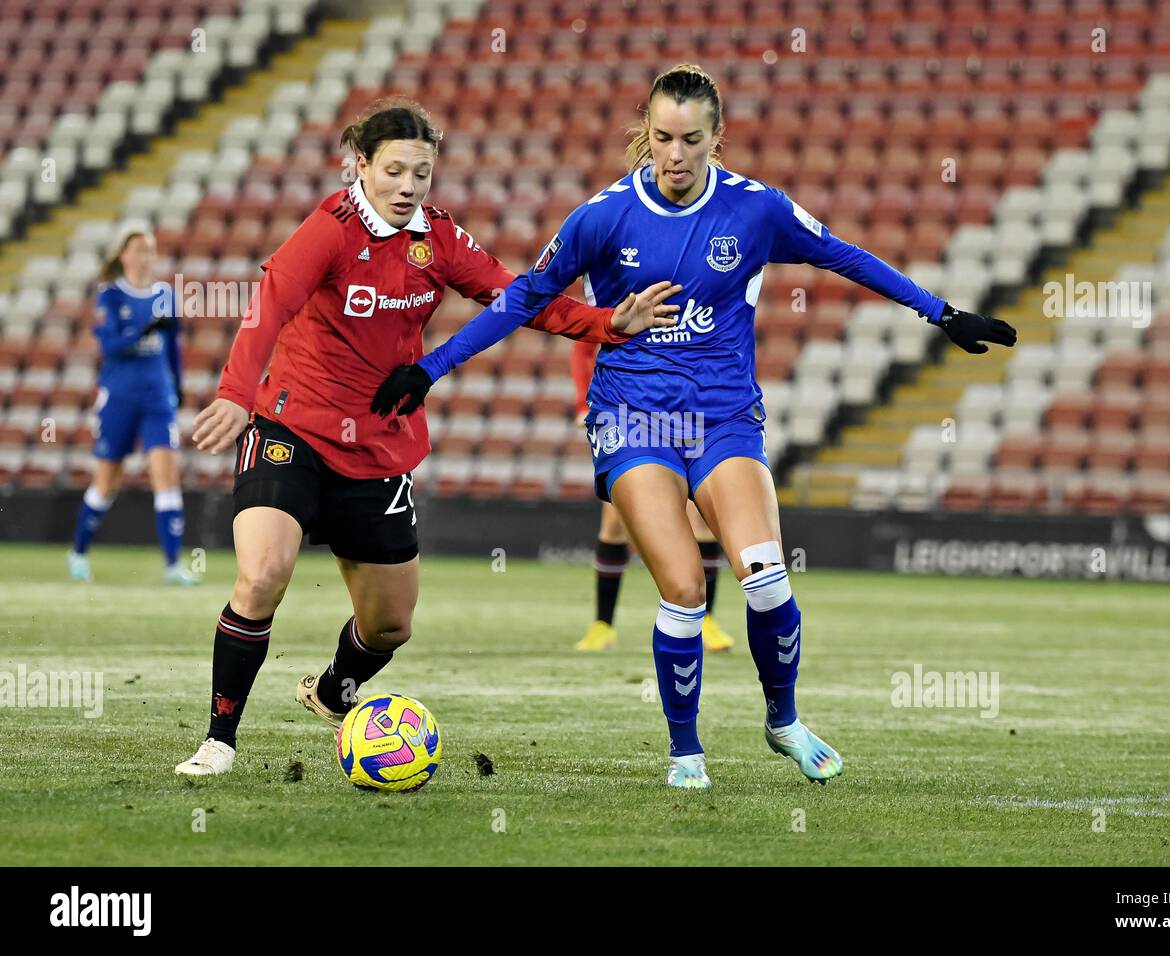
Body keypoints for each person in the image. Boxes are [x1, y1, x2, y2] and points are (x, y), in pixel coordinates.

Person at [369, 67, 1016, 789]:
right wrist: (432, 368)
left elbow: (848, 258)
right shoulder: (603, 216)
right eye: (663, 138)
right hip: (631, 415)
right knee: (682, 589)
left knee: (767, 578)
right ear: (646, 131)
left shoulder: (756, 209)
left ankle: (784, 722)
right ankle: (686, 754)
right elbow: (524, 297)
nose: (675, 155)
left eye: (691, 140)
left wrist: (943, 313)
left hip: (722, 415)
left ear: (718, 137)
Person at [175, 97, 682, 776]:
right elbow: (271, 304)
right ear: (361, 165)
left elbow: (514, 295)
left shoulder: (437, 239)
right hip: (291, 429)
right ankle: (219, 740)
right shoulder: (329, 228)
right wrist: (238, 394)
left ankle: (332, 692)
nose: (408, 185)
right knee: (263, 573)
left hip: (380, 449)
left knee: (390, 626)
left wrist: (605, 323)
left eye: (421, 172)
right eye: (394, 170)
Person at [570, 339, 734, 652]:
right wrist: (583, 402)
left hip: (686, 408)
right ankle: (602, 625)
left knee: (696, 515)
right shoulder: (621, 293)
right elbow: (583, 348)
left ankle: (706, 621)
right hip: (630, 407)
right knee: (616, 520)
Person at [69, 228, 197, 586]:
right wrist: (143, 331)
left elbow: (173, 347)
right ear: (124, 255)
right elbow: (109, 345)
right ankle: (78, 553)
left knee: (167, 476)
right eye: (138, 250)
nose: (145, 257)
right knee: (107, 480)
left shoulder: (165, 295)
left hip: (157, 397)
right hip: (119, 396)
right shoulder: (109, 296)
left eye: (150, 251)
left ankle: (173, 566)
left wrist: (177, 384)